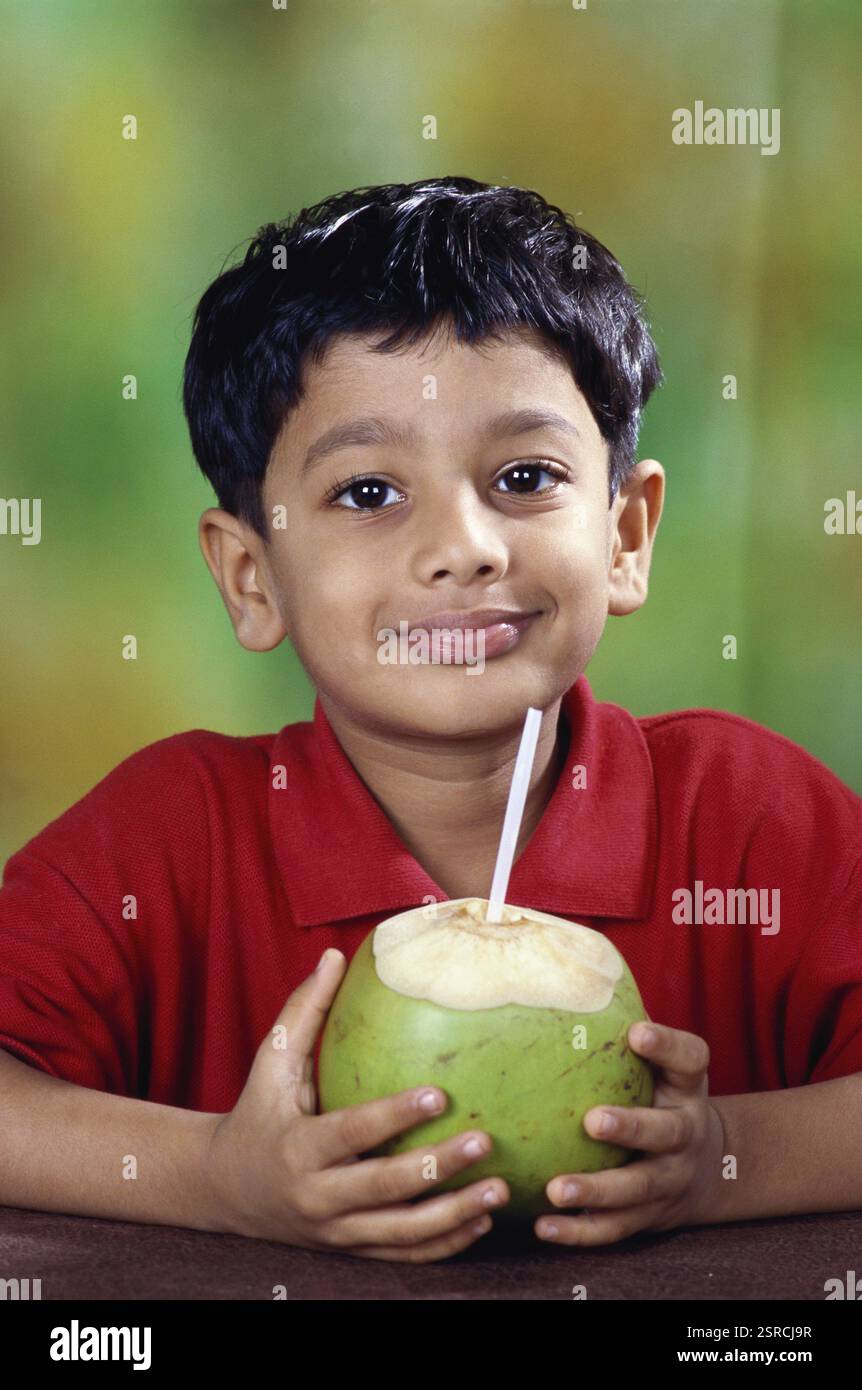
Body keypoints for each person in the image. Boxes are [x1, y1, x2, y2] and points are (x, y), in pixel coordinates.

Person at [1, 177, 860, 1262]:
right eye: (367, 492)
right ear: (251, 576)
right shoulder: (167, 838)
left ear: (625, 534)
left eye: (524, 475)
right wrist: (216, 1177)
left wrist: (726, 1154)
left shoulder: (751, 816)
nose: (463, 547)